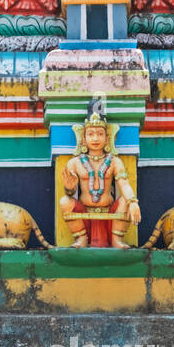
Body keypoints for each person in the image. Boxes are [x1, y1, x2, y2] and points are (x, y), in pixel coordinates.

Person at [61, 103, 140, 248]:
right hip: (84, 215)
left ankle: (116, 240)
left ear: (107, 137)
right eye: (90, 134)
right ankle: (82, 238)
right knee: (65, 201)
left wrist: (133, 202)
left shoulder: (115, 162)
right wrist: (69, 189)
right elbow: (70, 192)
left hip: (109, 214)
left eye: (100, 134)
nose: (95, 138)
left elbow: (124, 184)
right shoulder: (75, 163)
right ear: (83, 139)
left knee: (125, 200)